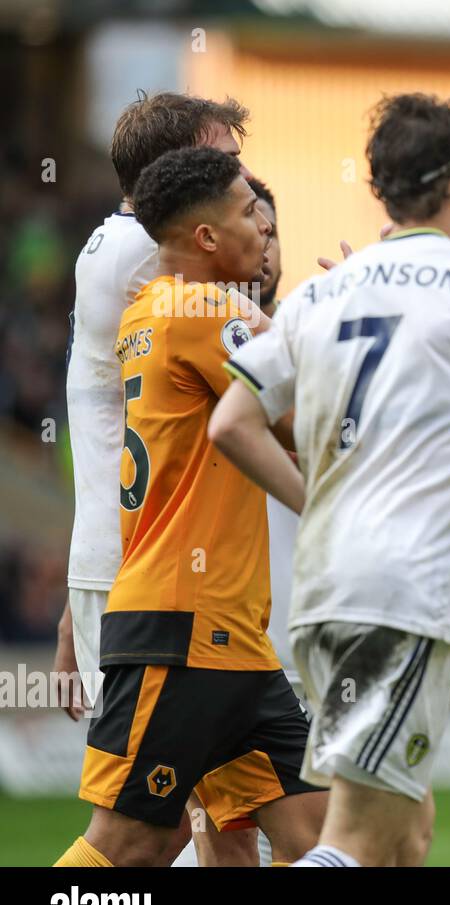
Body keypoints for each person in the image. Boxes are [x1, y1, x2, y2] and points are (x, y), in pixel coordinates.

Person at [209, 93, 450, 867]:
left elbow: (232, 421)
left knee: (406, 832)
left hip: (325, 592)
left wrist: (317, 500)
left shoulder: (324, 294)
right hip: (400, 595)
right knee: (359, 841)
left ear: (381, 189)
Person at [54, 147, 326, 867]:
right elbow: (305, 422)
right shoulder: (208, 309)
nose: (263, 230)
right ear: (206, 238)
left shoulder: (151, 311)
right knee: (131, 845)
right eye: (248, 215)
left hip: (231, 637)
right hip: (184, 631)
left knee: (318, 843)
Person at [247, 175, 307, 868]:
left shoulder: (313, 331)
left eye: (272, 233)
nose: (262, 248)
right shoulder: (187, 332)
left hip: (308, 639)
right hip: (222, 642)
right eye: (250, 230)